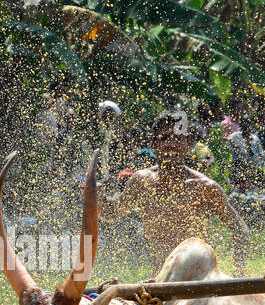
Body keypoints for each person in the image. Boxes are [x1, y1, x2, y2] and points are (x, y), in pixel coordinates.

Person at [102, 111, 250, 274]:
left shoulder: (205, 187)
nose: (171, 143)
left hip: (197, 279)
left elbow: (240, 229)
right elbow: (111, 214)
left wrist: (239, 271)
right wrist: (96, 197)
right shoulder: (142, 182)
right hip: (158, 279)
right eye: (164, 138)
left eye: (178, 138)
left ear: (188, 145)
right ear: (153, 145)